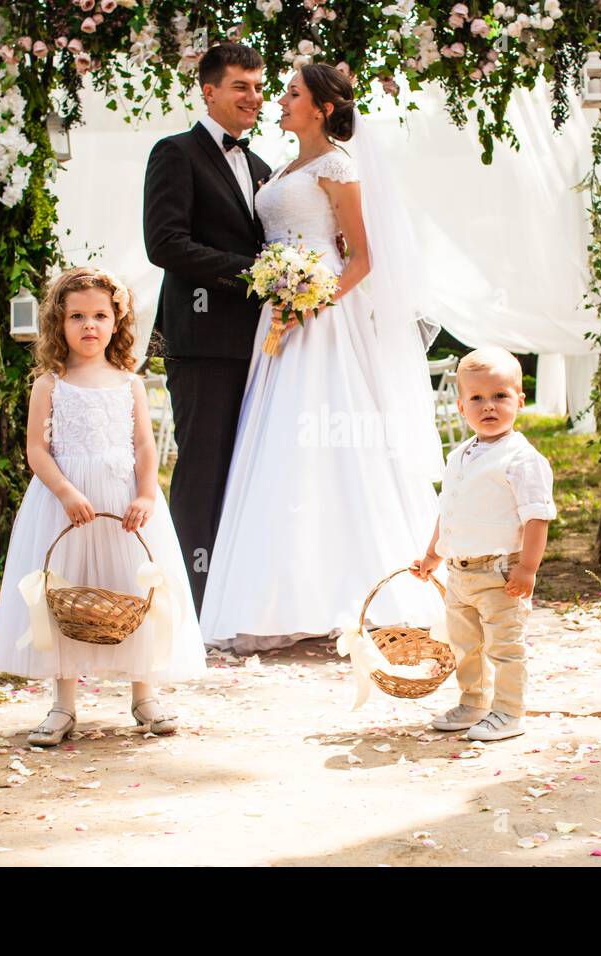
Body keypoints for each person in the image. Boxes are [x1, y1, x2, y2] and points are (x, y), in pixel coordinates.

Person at [198, 63, 444, 653]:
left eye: (290, 94)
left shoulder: (338, 166)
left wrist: (315, 302)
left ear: (323, 108)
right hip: (280, 315)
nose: (277, 102)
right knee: (279, 442)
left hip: (323, 318)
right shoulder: (281, 167)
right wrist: (283, 295)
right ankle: (284, 590)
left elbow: (361, 257)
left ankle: (362, 588)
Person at [0, 268, 205, 746]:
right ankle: (63, 704)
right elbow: (37, 450)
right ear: (58, 324)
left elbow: (145, 446)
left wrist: (146, 494)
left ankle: (144, 694)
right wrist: (64, 491)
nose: (89, 325)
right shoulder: (51, 382)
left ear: (116, 320)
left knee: (134, 591)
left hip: (123, 502)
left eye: (100, 315)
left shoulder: (128, 382)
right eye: (77, 316)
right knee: (65, 594)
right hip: (68, 503)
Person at [143, 42, 273, 613]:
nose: (254, 97)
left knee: (249, 468)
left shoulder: (264, 167)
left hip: (264, 349)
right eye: (240, 86)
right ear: (210, 91)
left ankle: (234, 595)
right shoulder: (175, 153)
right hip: (202, 344)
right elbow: (164, 242)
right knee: (201, 469)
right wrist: (254, 274)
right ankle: (188, 603)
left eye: (259, 86)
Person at [411, 347, 556, 742]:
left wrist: (527, 568)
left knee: (505, 646)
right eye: (476, 398)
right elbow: (450, 510)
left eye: (500, 396)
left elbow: (537, 516)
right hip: (460, 572)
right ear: (461, 406)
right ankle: (473, 701)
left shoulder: (522, 459)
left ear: (520, 401)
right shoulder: (459, 454)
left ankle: (509, 712)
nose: (488, 406)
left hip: (500, 572)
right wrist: (432, 555)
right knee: (465, 645)